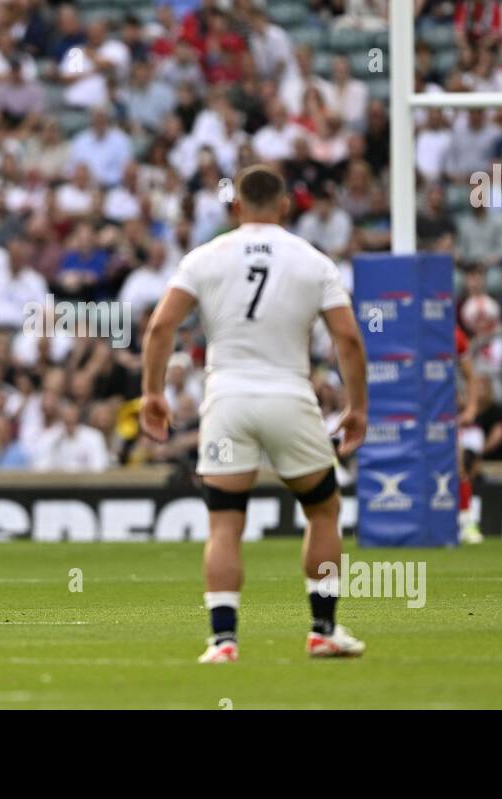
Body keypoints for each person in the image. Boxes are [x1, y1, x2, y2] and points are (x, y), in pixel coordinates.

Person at [139, 164, 369, 662]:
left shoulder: (204, 258)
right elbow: (347, 338)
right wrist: (357, 406)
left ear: (236, 207)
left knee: (224, 524)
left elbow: (160, 328)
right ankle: (322, 630)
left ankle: (223, 642)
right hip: (289, 395)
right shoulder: (313, 261)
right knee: (323, 509)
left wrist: (152, 394)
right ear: (284, 206)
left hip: (227, 398)